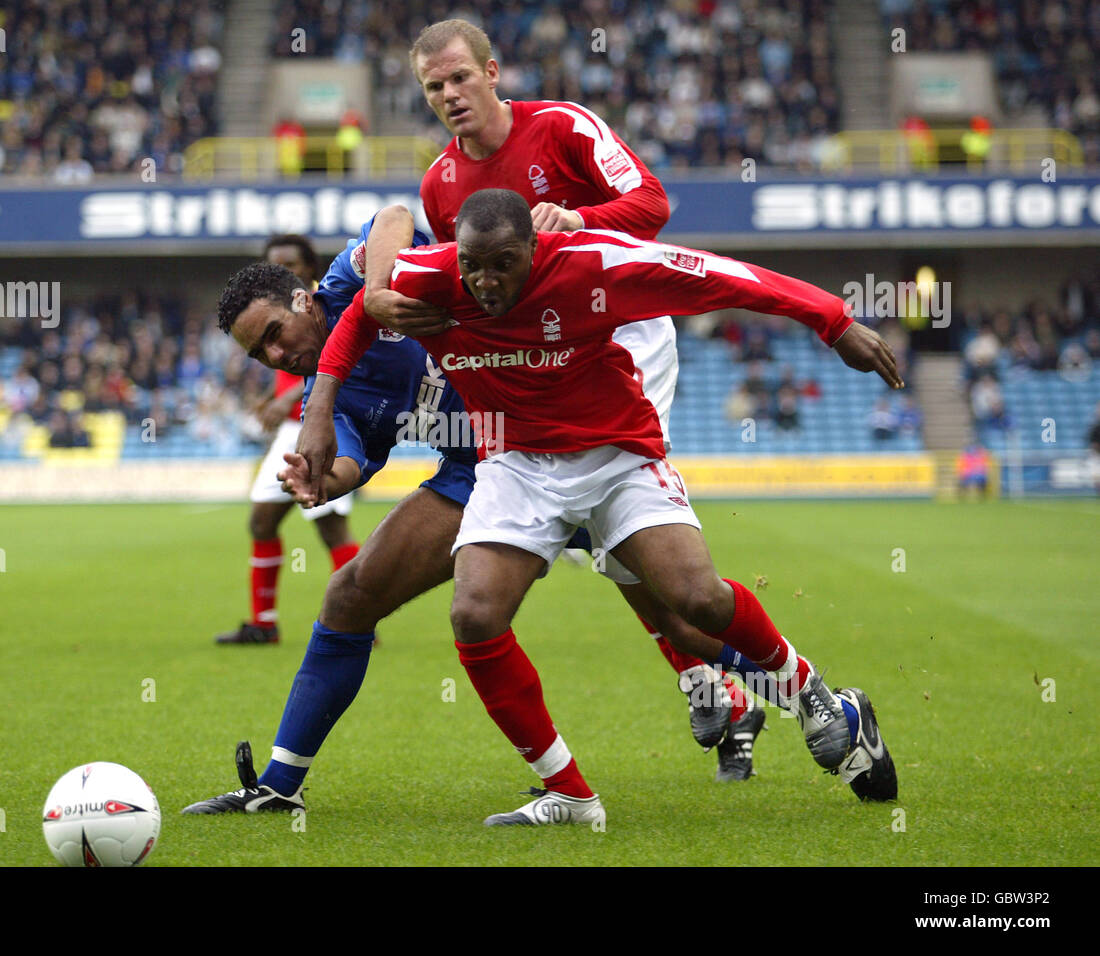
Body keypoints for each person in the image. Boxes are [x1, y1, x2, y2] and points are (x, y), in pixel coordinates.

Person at [297, 189, 902, 823]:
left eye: (503, 263)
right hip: (513, 462)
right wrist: (318, 412)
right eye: (473, 265)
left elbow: (727, 279)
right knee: (475, 614)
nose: (485, 282)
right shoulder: (431, 277)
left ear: (536, 247)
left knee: (695, 600)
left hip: (617, 453)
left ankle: (812, 693)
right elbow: (361, 318)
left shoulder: (595, 264)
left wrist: (833, 321)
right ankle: (571, 796)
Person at [363, 18, 759, 775]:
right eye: (433, 87)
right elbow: (474, 294)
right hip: (535, 360)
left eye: (460, 78)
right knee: (603, 543)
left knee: (615, 531)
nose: (449, 95)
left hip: (623, 337)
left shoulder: (564, 128)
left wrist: (577, 221)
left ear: (492, 71)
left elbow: (651, 204)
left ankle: (745, 681)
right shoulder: (440, 185)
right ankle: (716, 681)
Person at [214, 235, 360, 645]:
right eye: (276, 263)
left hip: (326, 423)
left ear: (310, 270)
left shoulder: (320, 306)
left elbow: (333, 357)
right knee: (262, 520)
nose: (287, 269)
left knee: (332, 528)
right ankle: (264, 622)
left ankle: (359, 616)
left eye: (293, 263)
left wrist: (287, 401)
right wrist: (275, 401)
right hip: (290, 430)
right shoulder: (269, 313)